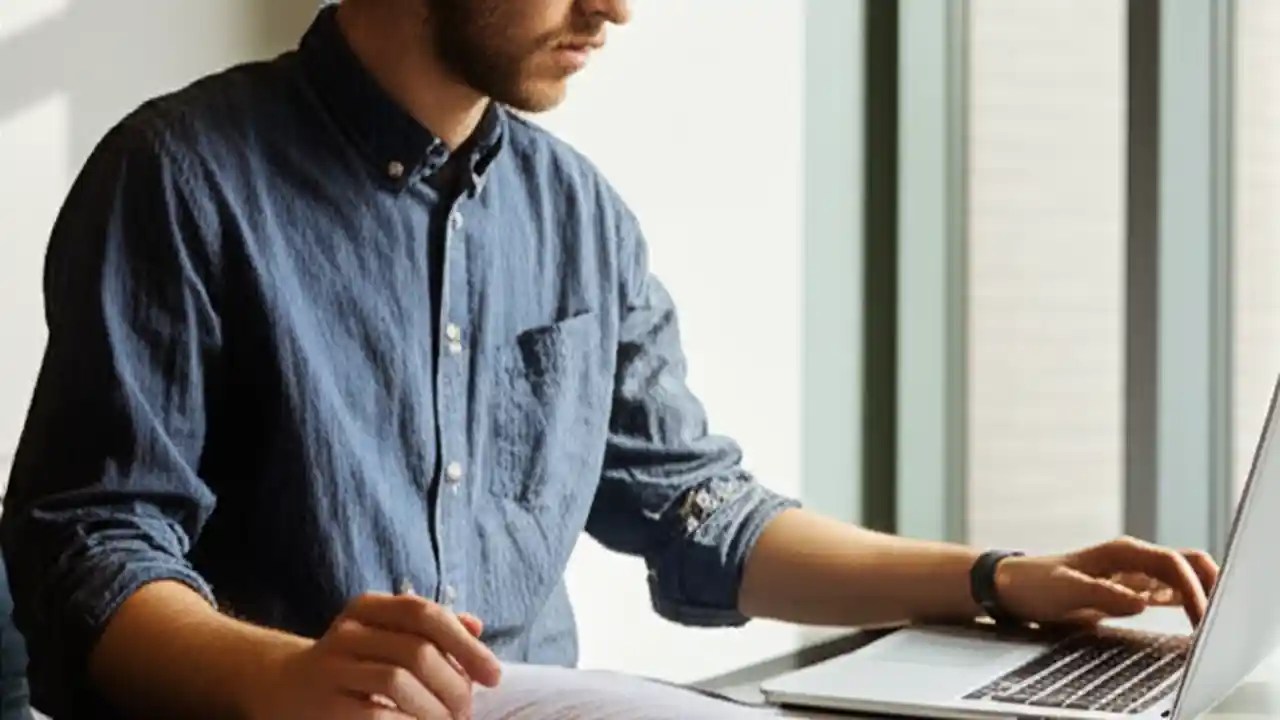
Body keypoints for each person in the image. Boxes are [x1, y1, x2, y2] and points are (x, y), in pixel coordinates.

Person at [0, 1, 1220, 718]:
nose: (616, 6)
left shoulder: (575, 215)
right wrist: (292, 683)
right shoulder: (179, 177)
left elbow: (703, 514)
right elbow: (87, 561)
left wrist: (1002, 581)